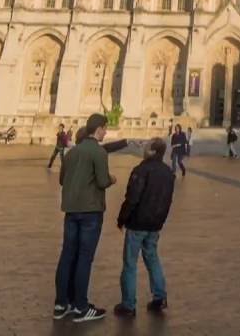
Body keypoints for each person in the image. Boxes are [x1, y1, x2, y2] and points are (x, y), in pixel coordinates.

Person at [54, 113, 115, 323]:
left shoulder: (72, 153)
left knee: (67, 255)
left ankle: (61, 303)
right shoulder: (98, 152)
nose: (106, 132)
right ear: (98, 129)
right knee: (84, 258)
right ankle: (81, 306)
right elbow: (102, 181)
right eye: (105, 128)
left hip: (71, 211)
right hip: (90, 212)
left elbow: (63, 180)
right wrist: (112, 179)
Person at [114, 138, 174, 317]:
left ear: (153, 152)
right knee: (152, 259)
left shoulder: (141, 170)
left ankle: (128, 304)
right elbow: (168, 200)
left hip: (138, 223)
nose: (144, 149)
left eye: (147, 147)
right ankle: (159, 297)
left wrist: (122, 218)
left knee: (130, 263)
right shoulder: (168, 172)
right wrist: (161, 220)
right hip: (155, 224)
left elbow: (132, 198)